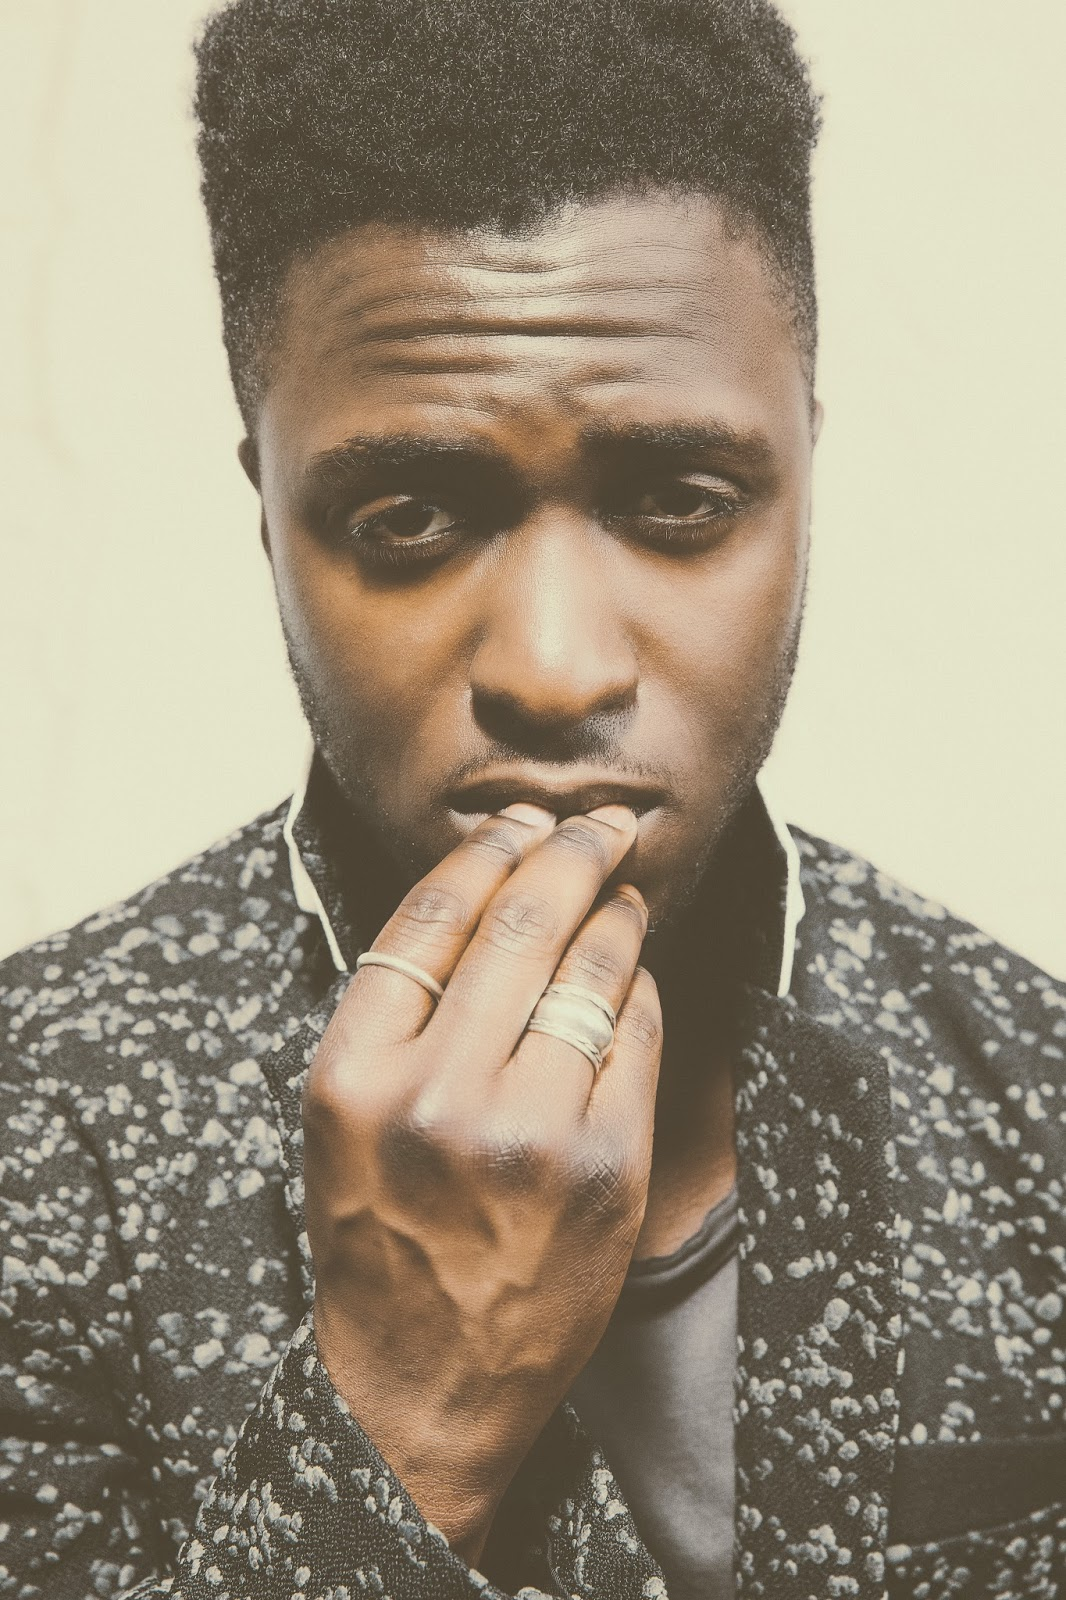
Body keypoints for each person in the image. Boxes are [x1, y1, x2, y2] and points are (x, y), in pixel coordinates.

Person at [0, 0, 1062, 1596]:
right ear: (268, 515)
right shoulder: (34, 1138)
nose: (555, 670)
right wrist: (404, 1417)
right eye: (407, 517)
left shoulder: (1036, 1108)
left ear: (805, 469)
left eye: (680, 500)